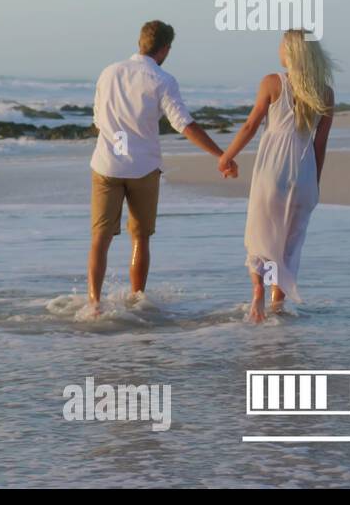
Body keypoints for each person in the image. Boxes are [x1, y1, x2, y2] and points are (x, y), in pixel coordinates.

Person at [87, 20, 234, 315]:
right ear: (165, 49)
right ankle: (137, 299)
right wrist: (221, 154)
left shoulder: (109, 72)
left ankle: (93, 303)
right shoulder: (162, 80)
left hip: (106, 164)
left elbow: (98, 118)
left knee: (100, 238)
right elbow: (184, 124)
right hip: (143, 167)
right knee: (140, 237)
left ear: (140, 41)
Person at [219, 29, 335, 321]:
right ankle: (277, 305)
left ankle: (258, 291)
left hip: (273, 171)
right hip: (305, 174)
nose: (279, 50)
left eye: (282, 45)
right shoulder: (326, 92)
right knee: (288, 242)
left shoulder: (273, 83)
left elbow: (249, 126)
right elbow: (320, 145)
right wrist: (315, 184)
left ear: (292, 52)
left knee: (260, 235)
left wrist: (227, 155)